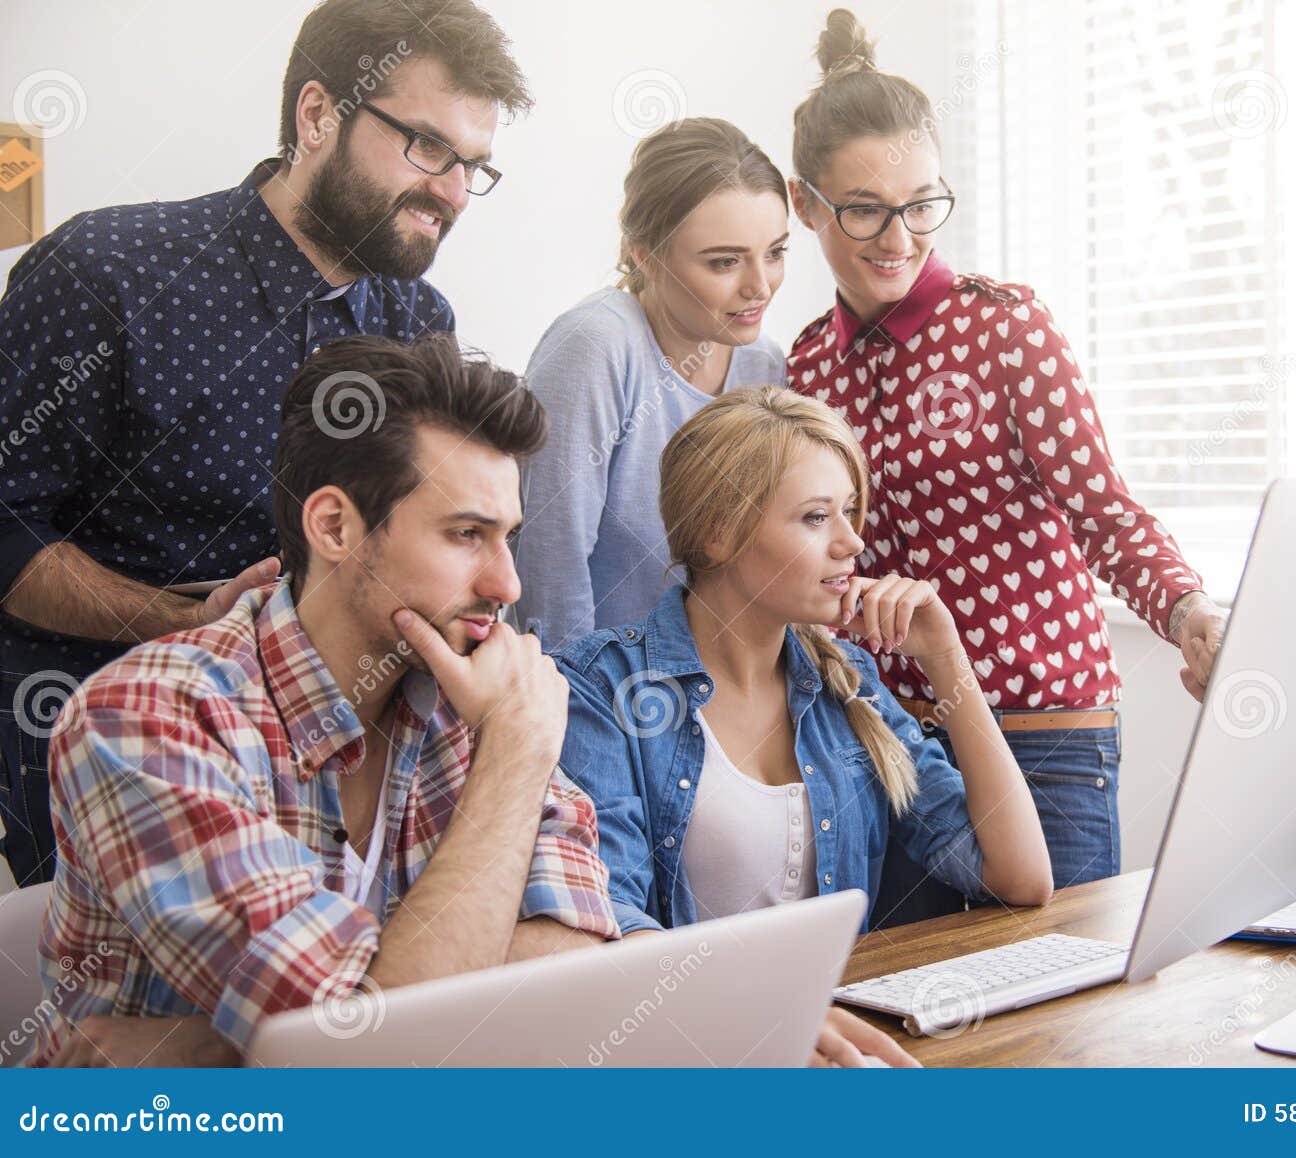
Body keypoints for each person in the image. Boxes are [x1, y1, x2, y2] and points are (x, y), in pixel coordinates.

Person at [0, 0, 530, 887]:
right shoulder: (109, 274)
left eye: (472, 166)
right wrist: (184, 619)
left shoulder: (418, 325)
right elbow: (5, 531)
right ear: (317, 115)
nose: (449, 190)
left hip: (349, 756)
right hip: (119, 748)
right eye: (428, 148)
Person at [29, 334, 618, 1066]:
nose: (508, 586)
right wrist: (516, 758)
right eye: (466, 534)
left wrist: (233, 1049)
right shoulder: (146, 716)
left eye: (509, 539)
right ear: (335, 527)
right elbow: (373, 1065)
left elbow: (582, 964)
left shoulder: (479, 694)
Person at [786, 9, 1228, 922]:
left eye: (921, 205)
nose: (898, 238)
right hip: (891, 749)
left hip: (1044, 735)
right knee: (917, 1018)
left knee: (1058, 1029)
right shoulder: (807, 366)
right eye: (864, 209)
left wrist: (1184, 608)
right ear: (805, 205)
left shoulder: (1004, 326)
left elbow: (1103, 510)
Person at [553, 386, 1052, 1064]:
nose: (852, 543)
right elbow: (609, 921)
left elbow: (1019, 876)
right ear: (717, 532)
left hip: (831, 1052)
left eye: (849, 512)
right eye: (816, 517)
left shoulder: (846, 680)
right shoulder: (600, 685)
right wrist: (763, 1017)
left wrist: (946, 656)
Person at [512, 118, 790, 649]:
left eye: (775, 252)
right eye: (725, 261)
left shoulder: (763, 364)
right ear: (644, 251)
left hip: (716, 694)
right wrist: (580, 716)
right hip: (603, 699)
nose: (760, 287)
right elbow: (551, 567)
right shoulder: (595, 347)